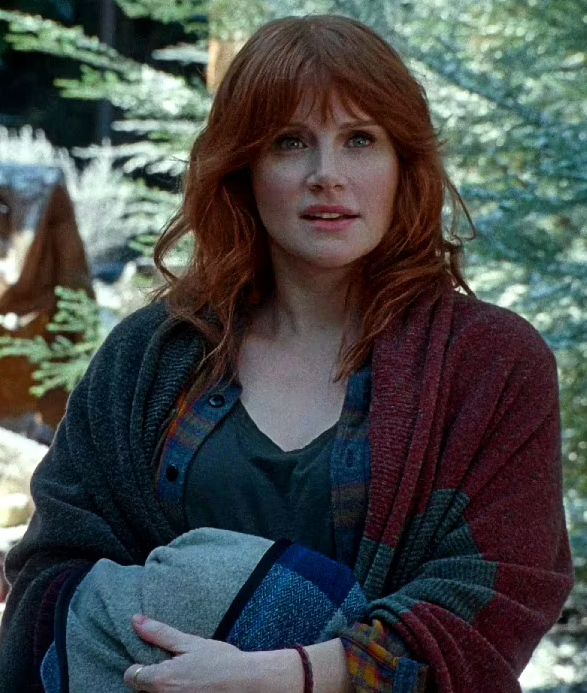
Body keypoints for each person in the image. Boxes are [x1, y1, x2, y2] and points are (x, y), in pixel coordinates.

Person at [0, 13, 573, 693]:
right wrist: (191, 602)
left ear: (403, 164)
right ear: (243, 169)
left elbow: (499, 594)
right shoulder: (149, 356)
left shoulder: (490, 364)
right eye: (290, 142)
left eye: (359, 139)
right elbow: (48, 574)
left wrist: (286, 673)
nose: (326, 175)